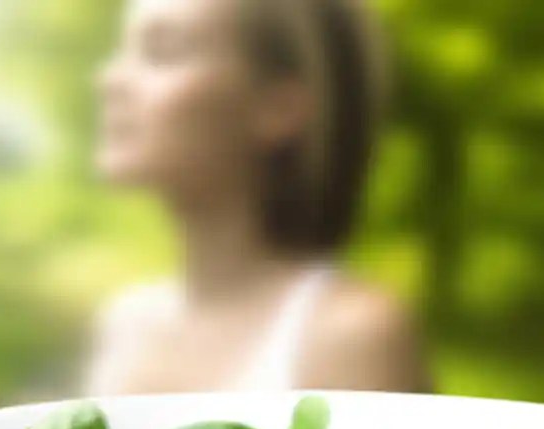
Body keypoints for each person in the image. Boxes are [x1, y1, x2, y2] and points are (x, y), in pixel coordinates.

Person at [85, 0, 427, 395]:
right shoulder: (123, 322)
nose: (110, 81)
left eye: (162, 52)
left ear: (279, 106)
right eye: (124, 52)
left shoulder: (353, 337)